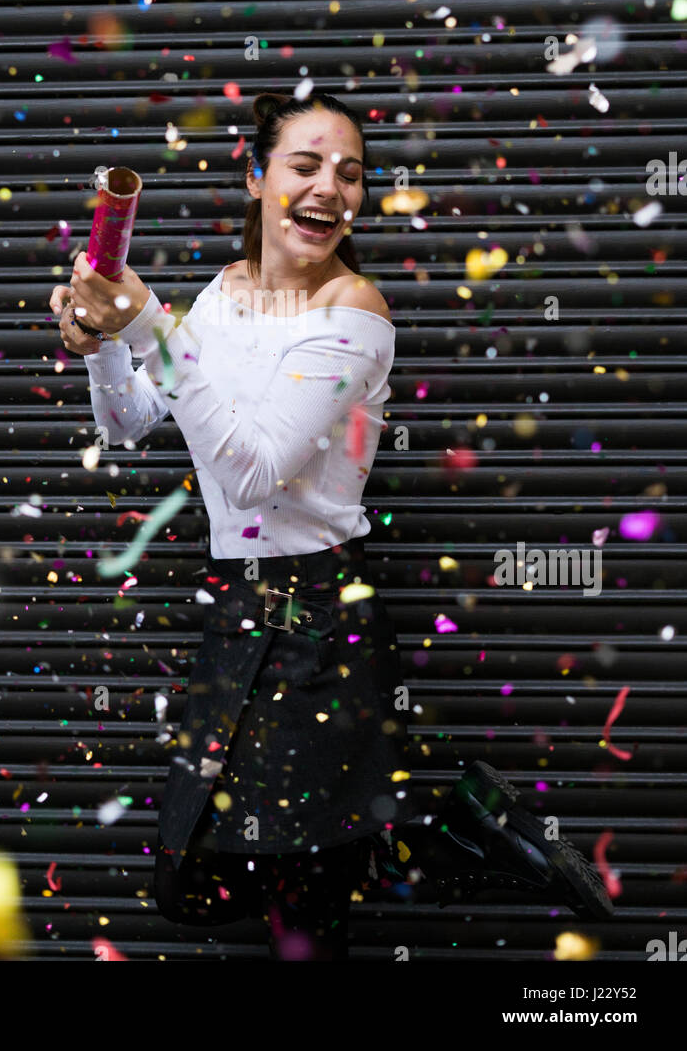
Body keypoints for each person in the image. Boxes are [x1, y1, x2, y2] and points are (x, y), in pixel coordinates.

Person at [49, 91, 613, 960]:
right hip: (242, 613)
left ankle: (460, 839)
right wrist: (107, 347)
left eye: (348, 173)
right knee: (191, 877)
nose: (328, 189)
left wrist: (151, 322)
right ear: (255, 178)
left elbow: (250, 468)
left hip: (320, 618)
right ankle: (466, 835)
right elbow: (130, 422)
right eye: (304, 166)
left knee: (304, 918)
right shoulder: (224, 293)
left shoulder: (355, 315)